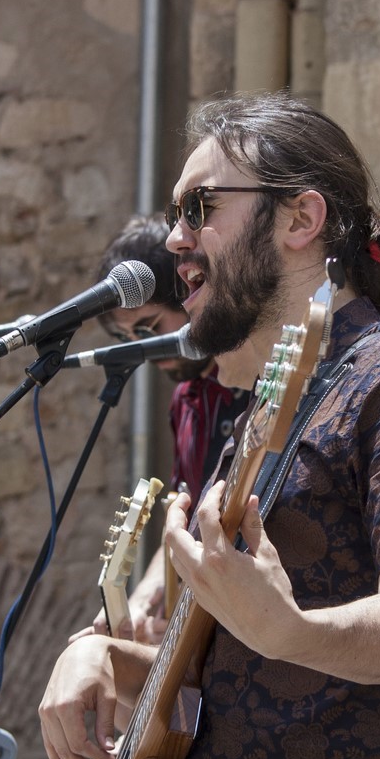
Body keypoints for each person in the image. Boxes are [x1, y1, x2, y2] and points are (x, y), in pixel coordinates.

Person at [40, 91, 380, 759]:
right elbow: (225, 668)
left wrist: (291, 629)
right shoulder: (260, 416)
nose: (177, 238)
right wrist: (98, 659)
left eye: (200, 206)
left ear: (299, 219)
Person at [85, 215, 249, 642]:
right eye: (129, 339)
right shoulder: (186, 401)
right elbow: (184, 523)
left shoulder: (258, 378)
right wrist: (137, 607)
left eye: (149, 327)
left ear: (188, 295)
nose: (143, 349)